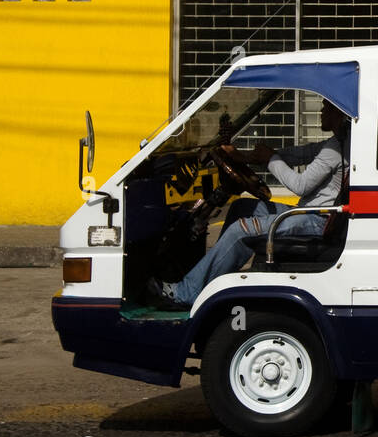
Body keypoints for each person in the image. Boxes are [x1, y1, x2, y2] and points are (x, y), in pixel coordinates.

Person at [146, 100, 350, 310]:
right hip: (309, 214)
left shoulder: (335, 150)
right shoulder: (339, 142)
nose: (321, 110)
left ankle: (185, 293)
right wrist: (247, 157)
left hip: (316, 220)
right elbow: (302, 154)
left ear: (339, 114)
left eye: (326, 107)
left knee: (240, 230)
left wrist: (270, 158)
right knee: (242, 207)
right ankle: (214, 275)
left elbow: (300, 185)